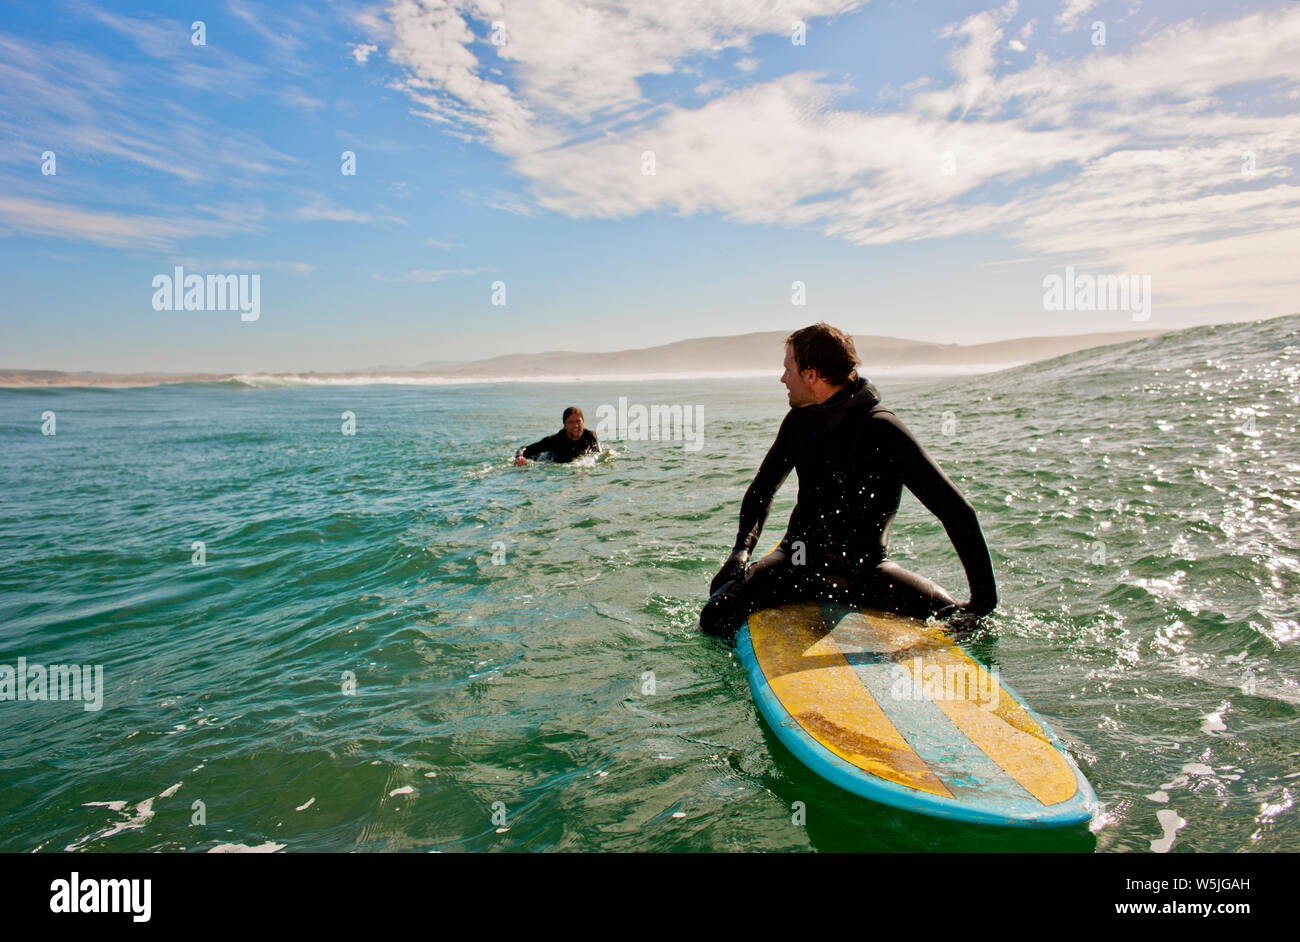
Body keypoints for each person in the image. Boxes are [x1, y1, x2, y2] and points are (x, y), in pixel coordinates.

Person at [700, 322, 997, 638]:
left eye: (788, 369)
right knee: (715, 616)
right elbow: (763, 488)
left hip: (865, 574)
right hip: (797, 562)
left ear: (811, 375)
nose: (783, 378)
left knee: (955, 619)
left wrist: (982, 603)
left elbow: (956, 511)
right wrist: (741, 551)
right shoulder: (799, 423)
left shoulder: (882, 429)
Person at [514, 406, 600, 465]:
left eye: (578, 421)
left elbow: (597, 455)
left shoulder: (590, 436)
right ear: (565, 425)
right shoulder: (555, 440)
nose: (576, 425)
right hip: (544, 459)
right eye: (570, 422)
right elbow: (524, 449)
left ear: (583, 422)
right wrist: (519, 457)